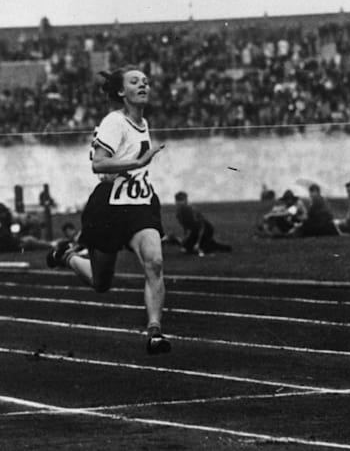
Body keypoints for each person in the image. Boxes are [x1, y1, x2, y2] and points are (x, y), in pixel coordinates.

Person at [46, 66, 172, 354]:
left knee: (154, 262)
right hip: (109, 208)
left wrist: (137, 170)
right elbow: (98, 164)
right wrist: (136, 164)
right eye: (135, 81)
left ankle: (154, 331)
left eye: (146, 81)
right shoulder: (114, 122)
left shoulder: (143, 121)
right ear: (120, 91)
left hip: (139, 204)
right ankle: (67, 256)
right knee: (102, 282)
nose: (143, 85)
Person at [168, 191, 232, 255]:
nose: (179, 203)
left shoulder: (191, 211)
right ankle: (209, 244)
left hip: (206, 229)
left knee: (199, 249)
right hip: (195, 231)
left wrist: (198, 242)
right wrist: (185, 239)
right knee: (187, 247)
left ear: (186, 201)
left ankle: (213, 245)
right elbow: (186, 228)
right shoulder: (178, 214)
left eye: (181, 200)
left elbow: (202, 227)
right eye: (178, 200)